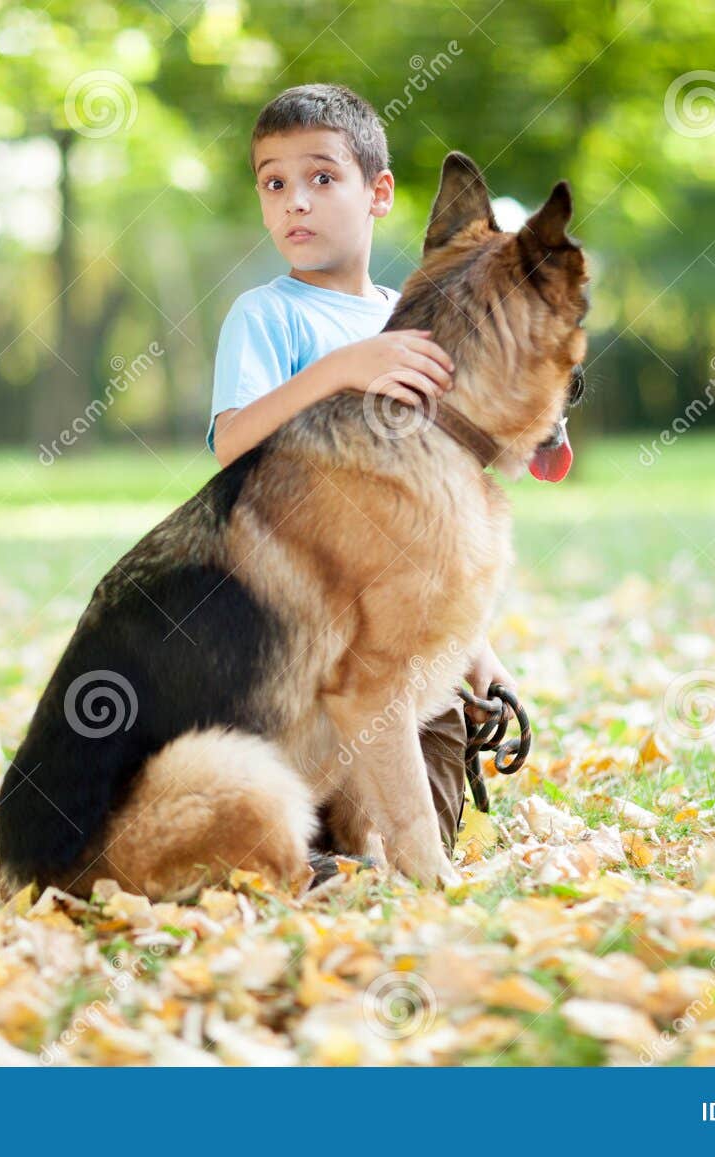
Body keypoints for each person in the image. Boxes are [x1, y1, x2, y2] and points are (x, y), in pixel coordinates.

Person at [206, 82, 516, 856]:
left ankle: (372, 836)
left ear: (378, 193)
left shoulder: (411, 318)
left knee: (428, 815)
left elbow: (436, 519)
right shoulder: (267, 314)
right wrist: (345, 365)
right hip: (309, 634)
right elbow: (232, 443)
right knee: (323, 819)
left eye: (320, 178)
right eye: (274, 184)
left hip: (405, 627)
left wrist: (477, 655)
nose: (294, 204)